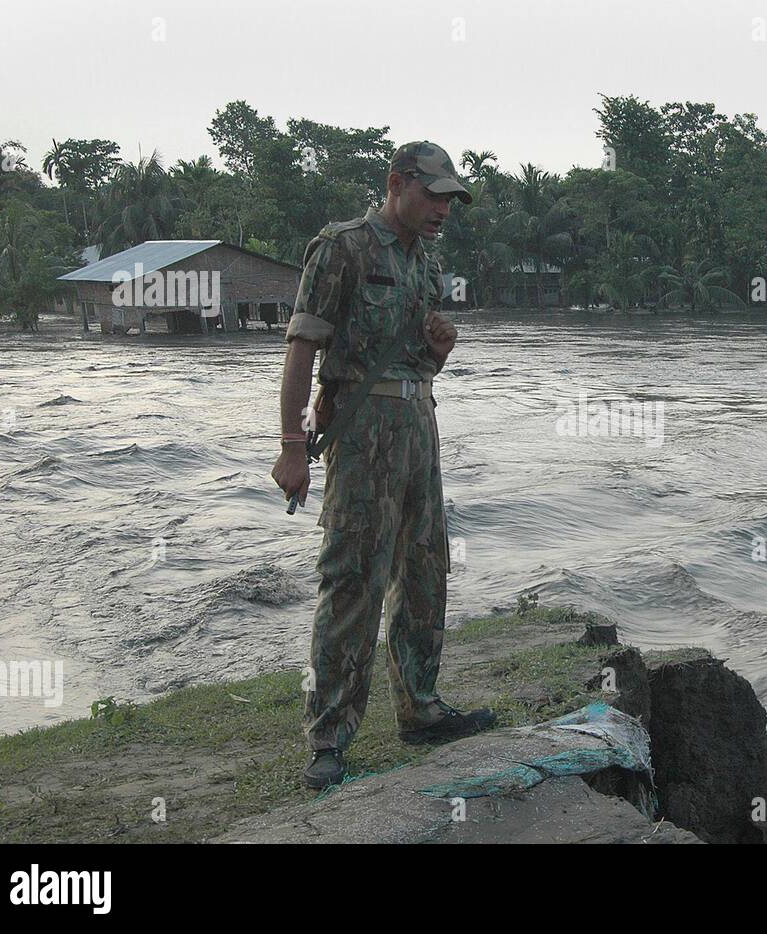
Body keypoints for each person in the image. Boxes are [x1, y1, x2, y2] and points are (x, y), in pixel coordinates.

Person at [271, 141, 495, 790]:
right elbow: (302, 350)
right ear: (397, 184)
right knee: (352, 579)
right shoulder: (341, 249)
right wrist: (292, 446)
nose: (443, 210)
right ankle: (329, 737)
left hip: (418, 428)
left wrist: (439, 352)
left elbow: (414, 366)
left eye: (451, 200)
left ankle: (420, 708)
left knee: (425, 570)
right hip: (361, 435)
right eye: (433, 196)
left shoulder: (425, 264)